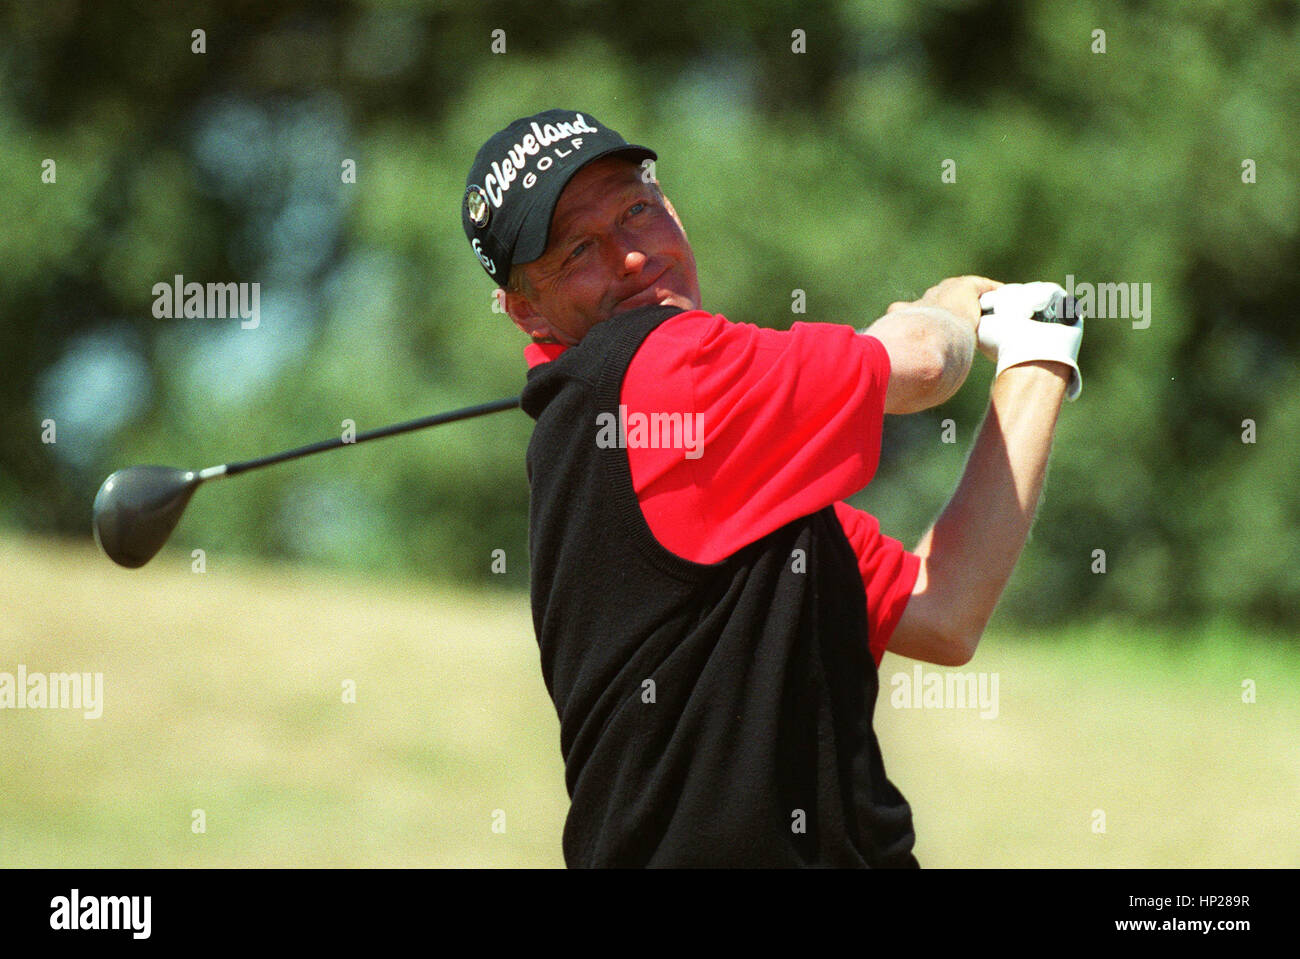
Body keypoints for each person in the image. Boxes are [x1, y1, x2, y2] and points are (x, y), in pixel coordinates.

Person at [460, 109, 1082, 867]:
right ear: (524, 309)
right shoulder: (654, 365)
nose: (631, 256)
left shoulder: (700, 456)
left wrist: (1039, 361)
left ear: (671, 209)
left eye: (636, 209)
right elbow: (921, 361)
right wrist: (950, 305)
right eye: (579, 249)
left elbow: (941, 611)